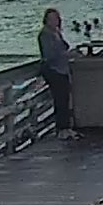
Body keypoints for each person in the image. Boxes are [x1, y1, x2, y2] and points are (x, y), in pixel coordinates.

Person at [39, 9, 79, 140]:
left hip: (62, 68)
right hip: (53, 69)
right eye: (51, 19)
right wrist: (66, 54)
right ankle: (61, 129)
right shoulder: (45, 34)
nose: (54, 21)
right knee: (59, 98)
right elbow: (49, 55)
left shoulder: (57, 32)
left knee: (65, 98)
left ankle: (66, 127)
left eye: (56, 19)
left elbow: (63, 47)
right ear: (46, 20)